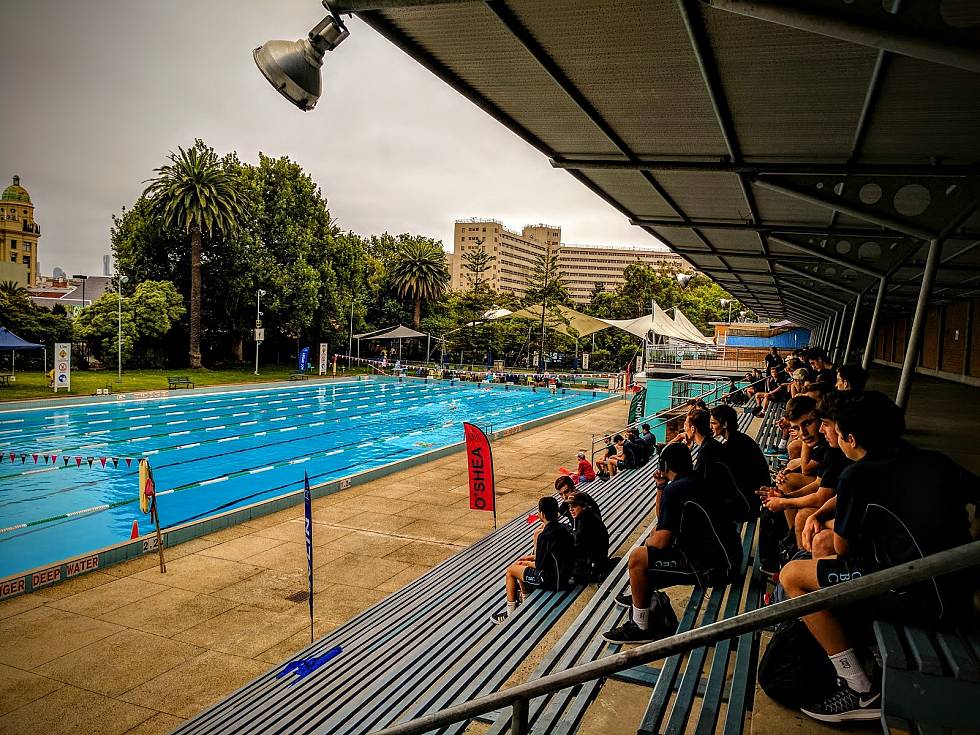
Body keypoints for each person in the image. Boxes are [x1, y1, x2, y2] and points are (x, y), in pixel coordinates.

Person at [779, 392, 976, 723]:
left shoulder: (858, 476)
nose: (830, 434)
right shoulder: (934, 460)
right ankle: (865, 646)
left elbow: (842, 549)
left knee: (793, 576)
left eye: (834, 430)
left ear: (851, 438)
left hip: (918, 597)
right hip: (958, 591)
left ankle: (859, 688)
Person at [601, 443, 742, 643]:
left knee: (638, 558)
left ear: (664, 464)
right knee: (648, 553)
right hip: (728, 556)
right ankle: (639, 597)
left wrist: (651, 539)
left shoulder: (677, 489)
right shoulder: (694, 481)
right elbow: (663, 519)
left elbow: (660, 542)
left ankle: (641, 626)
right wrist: (661, 487)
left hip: (715, 567)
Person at [491, 496, 574, 624]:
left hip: (553, 580)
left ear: (542, 514)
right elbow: (550, 557)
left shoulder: (544, 535)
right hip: (564, 576)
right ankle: (526, 599)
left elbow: (540, 565)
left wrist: (526, 562)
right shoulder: (563, 529)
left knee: (511, 571)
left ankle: (510, 612)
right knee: (521, 566)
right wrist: (526, 560)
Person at [710, 404, 770, 519]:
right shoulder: (740, 439)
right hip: (752, 500)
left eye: (713, 423)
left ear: (725, 424)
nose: (711, 427)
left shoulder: (733, 446)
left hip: (748, 504)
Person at [568, 492, 611, 583]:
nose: (571, 509)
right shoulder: (588, 514)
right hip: (596, 558)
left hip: (592, 565)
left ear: (583, 506)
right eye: (569, 506)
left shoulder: (585, 521)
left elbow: (576, 548)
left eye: (574, 506)